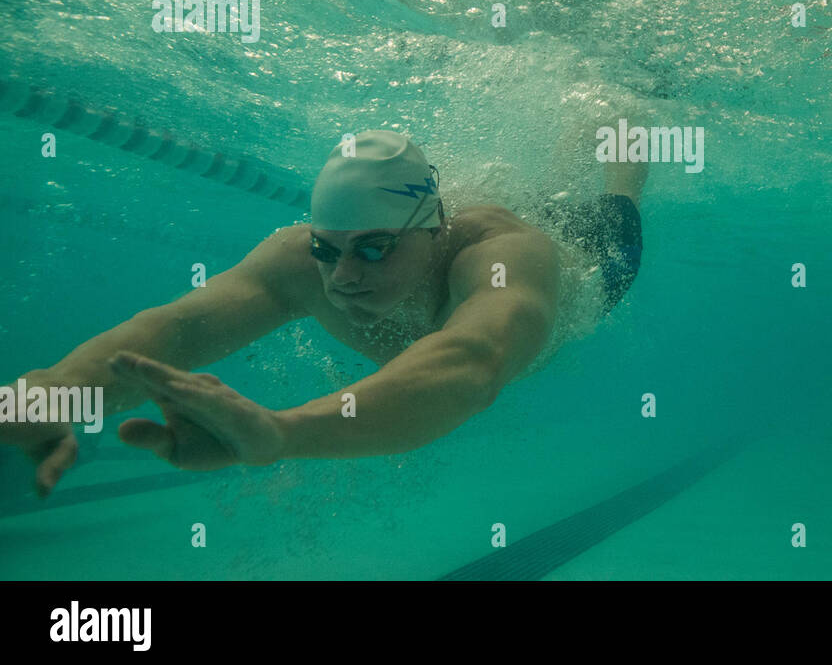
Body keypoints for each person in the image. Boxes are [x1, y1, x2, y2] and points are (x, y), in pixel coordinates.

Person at [0, 129, 647, 496]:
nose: (343, 276)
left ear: (434, 228)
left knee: (613, 199)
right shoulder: (301, 263)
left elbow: (471, 364)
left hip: (597, 264)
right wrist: (44, 399)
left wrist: (284, 431)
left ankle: (621, 134)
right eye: (326, 247)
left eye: (373, 249)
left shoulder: (506, 257)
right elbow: (173, 329)